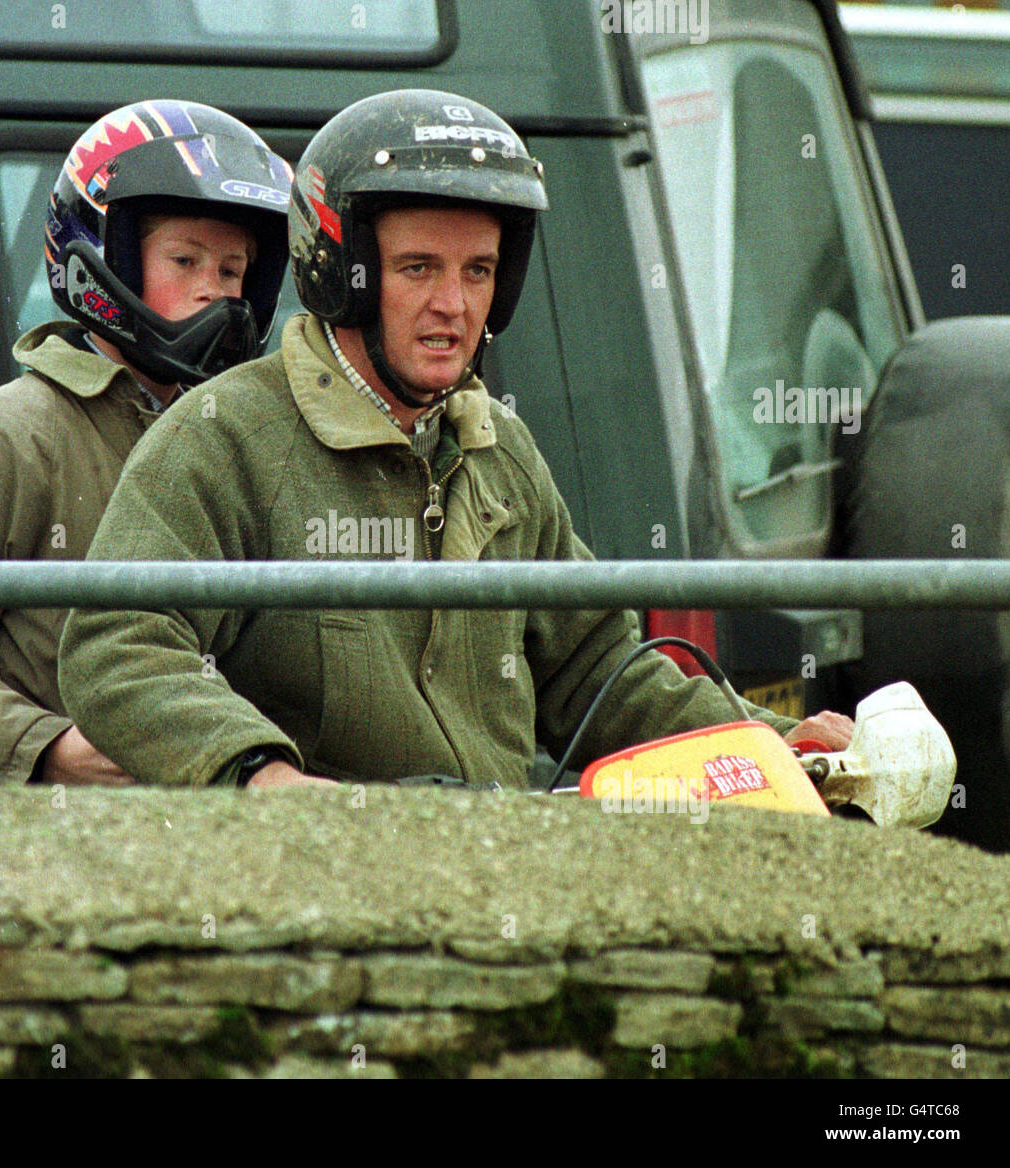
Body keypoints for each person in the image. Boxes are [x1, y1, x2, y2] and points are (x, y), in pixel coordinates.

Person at [57, 89, 852, 790]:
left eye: (478, 272)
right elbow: (119, 649)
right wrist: (263, 778)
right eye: (417, 268)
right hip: (305, 890)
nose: (453, 305)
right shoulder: (223, 437)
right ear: (345, 272)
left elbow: (601, 672)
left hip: (493, 883)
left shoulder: (498, 449)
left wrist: (786, 749)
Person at [0, 99, 293, 785]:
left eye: (232, 272)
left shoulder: (242, 443)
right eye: (185, 260)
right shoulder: (1, 437)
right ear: (100, 256)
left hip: (212, 843)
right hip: (46, 857)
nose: (216, 294)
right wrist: (46, 748)